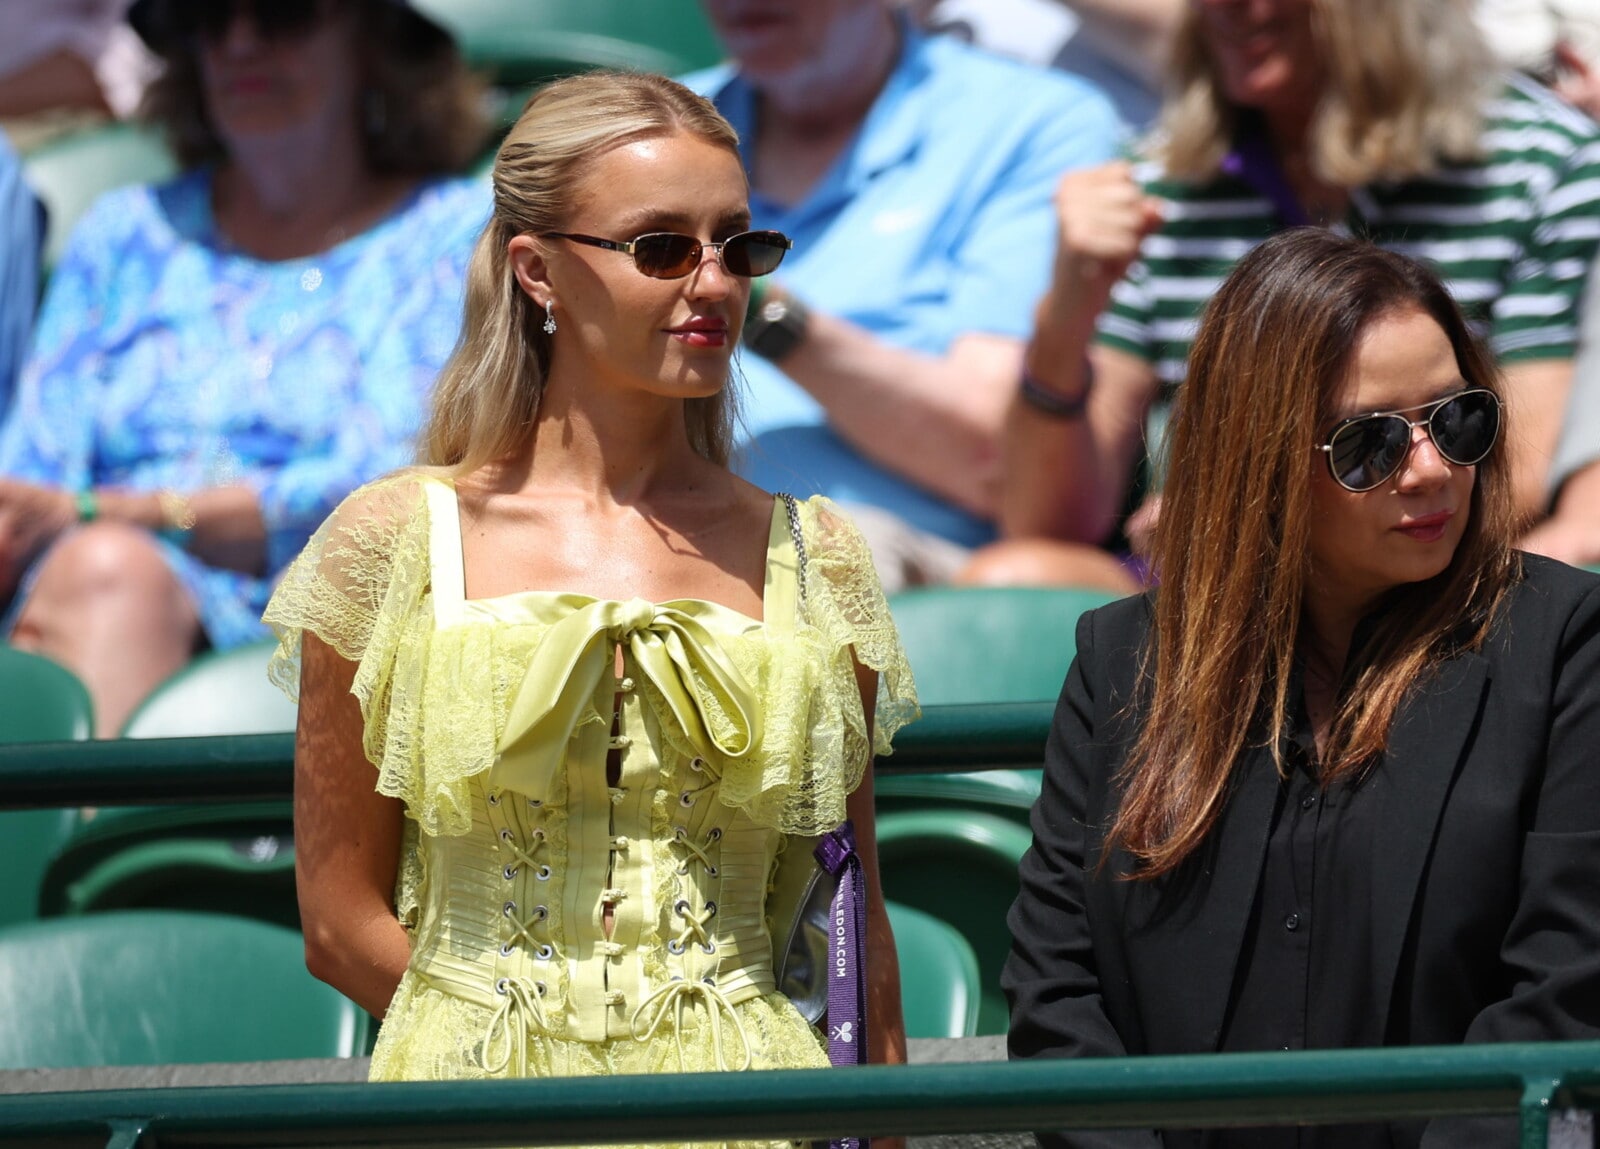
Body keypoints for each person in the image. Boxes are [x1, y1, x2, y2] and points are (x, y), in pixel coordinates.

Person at [264, 72, 916, 1103]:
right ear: (536, 272)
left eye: (736, 245)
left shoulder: (813, 555)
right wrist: (533, 1067)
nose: (712, 282)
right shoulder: (391, 539)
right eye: (661, 247)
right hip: (471, 1103)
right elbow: (338, 923)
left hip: (748, 1103)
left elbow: (849, 918)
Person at [1004, 229, 1600, 1149]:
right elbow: (1059, 1001)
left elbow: (1566, 994)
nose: (1433, 468)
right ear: (1261, 458)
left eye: (1459, 419)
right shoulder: (1122, 662)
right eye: (1369, 444)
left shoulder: (1563, 640)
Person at [981, 0, 1600, 587]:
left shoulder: (1539, 166)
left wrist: (1239, 517)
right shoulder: (1157, 188)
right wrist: (1066, 313)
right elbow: (1048, 521)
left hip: (1429, 568)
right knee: (1014, 578)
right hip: (1202, 594)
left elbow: (1516, 474)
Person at [0, 0, 489, 736]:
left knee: (111, 572)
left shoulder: (452, 235)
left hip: (322, 615)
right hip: (75, 590)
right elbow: (36, 465)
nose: (238, 46)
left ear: (374, 39)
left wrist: (134, 518)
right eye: (207, 20)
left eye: (279, 15)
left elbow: (394, 479)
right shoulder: (124, 232)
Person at [686, 0, 1125, 593]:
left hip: (886, 564)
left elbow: (999, 466)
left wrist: (760, 308)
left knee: (809, 555)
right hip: (651, 519)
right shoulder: (639, 134)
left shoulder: (1028, 123)